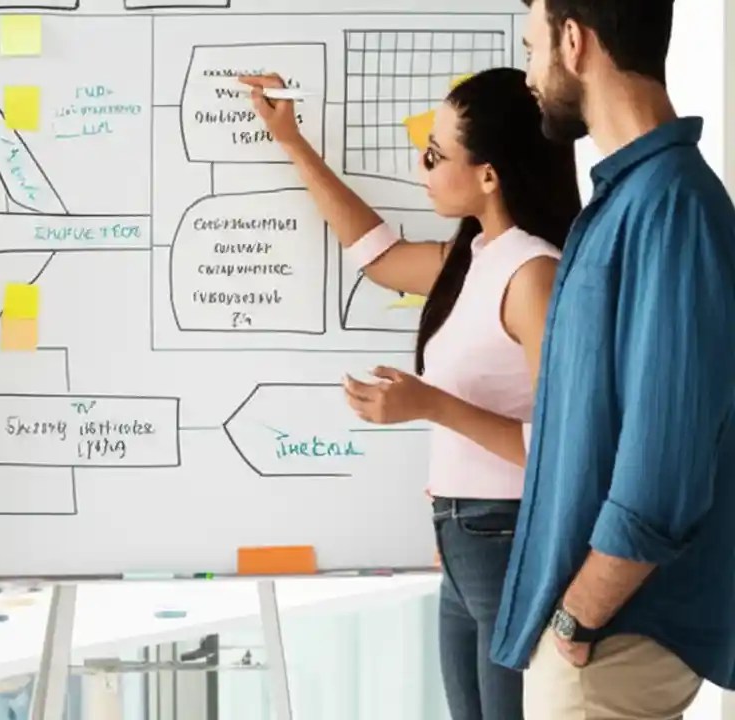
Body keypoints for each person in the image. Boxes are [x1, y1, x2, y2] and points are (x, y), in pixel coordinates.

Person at [241, 68, 580, 719]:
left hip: (507, 537)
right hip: (461, 539)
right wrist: (292, 142)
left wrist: (430, 406)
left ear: (489, 174)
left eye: (435, 154)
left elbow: (564, 449)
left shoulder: (534, 274)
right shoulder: (474, 258)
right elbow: (378, 256)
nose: (420, 165)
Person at [491, 1, 735, 717]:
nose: (530, 72)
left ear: (574, 41)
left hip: (610, 644)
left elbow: (664, 467)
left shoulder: (673, 209)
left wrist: (577, 618)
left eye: (533, 48)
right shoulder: (632, 200)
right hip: (593, 640)